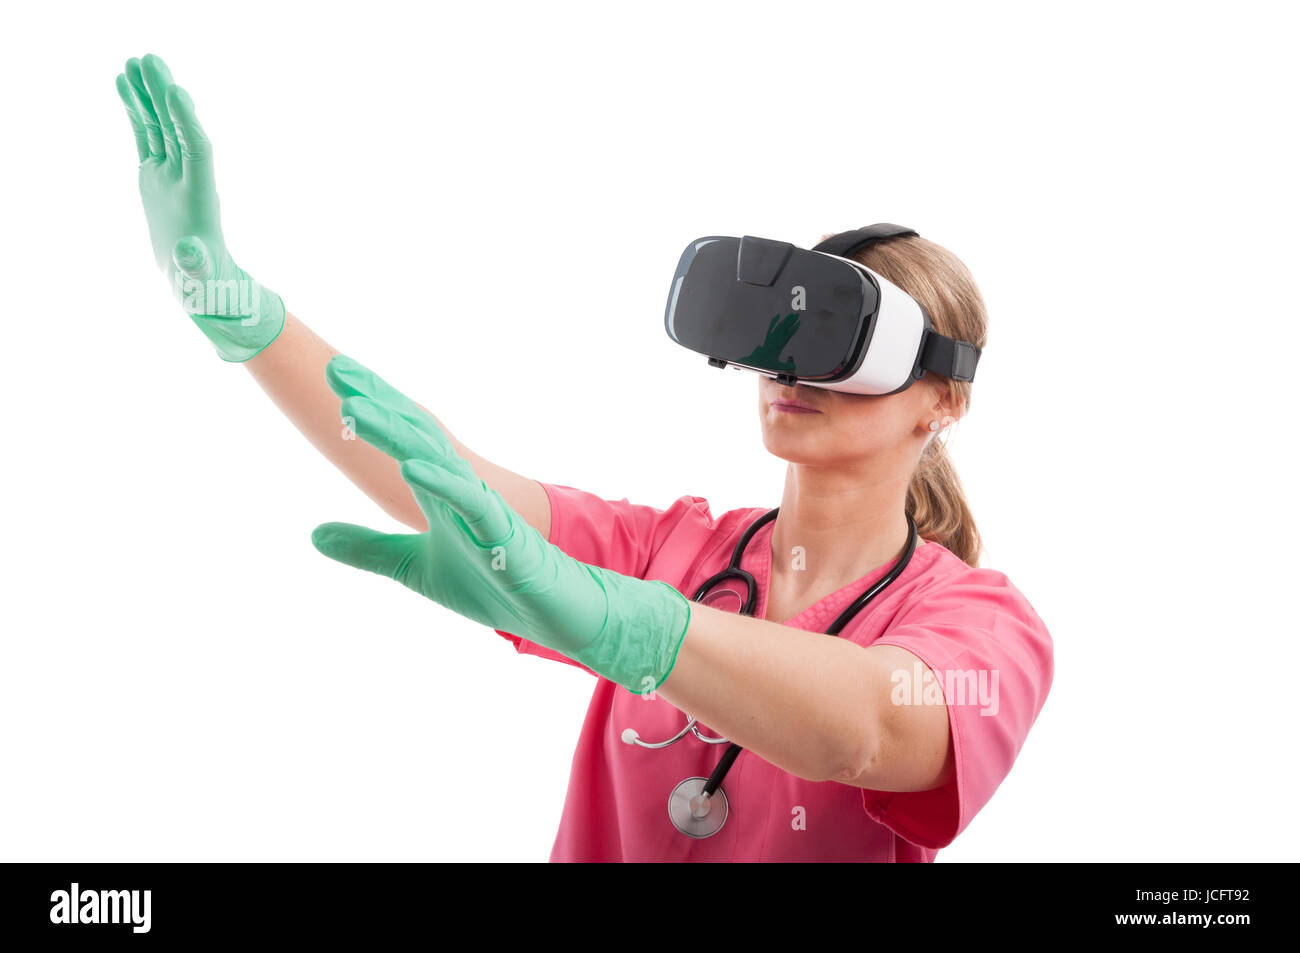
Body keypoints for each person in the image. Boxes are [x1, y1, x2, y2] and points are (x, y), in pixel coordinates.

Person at [116, 53, 1054, 863]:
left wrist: (642, 631)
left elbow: (874, 727)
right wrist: (231, 305)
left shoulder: (985, 625)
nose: (788, 370)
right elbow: (440, 477)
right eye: (783, 332)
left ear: (945, 398)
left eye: (844, 344)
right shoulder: (674, 552)